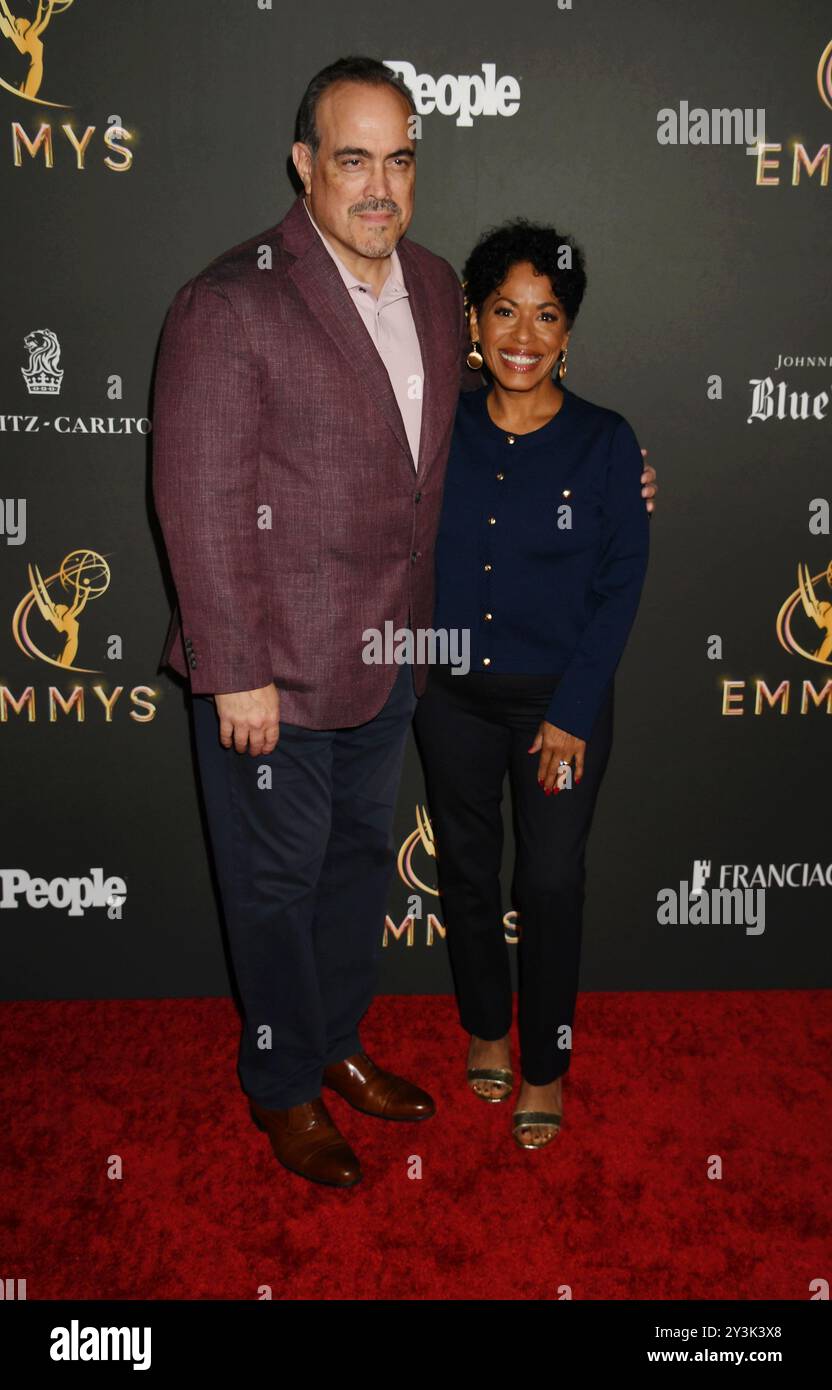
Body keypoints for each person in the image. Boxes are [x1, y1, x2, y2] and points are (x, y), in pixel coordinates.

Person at [152, 56, 658, 1190]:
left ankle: (336, 1045)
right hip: (270, 678)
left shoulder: (433, 285)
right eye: (351, 159)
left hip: (392, 666)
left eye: (399, 159)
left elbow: (475, 449)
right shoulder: (231, 300)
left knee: (347, 877)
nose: (378, 185)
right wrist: (233, 666)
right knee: (272, 892)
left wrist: (618, 477)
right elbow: (196, 493)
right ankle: (281, 1086)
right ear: (304, 166)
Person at [412, 219, 651, 1149]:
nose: (523, 334)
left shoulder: (606, 441)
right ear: (473, 321)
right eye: (504, 311)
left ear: (568, 332)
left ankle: (545, 1066)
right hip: (454, 700)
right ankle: (486, 1026)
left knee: (549, 881)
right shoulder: (438, 423)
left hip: (561, 706)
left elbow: (620, 583)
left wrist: (573, 712)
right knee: (467, 871)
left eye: (545, 315)